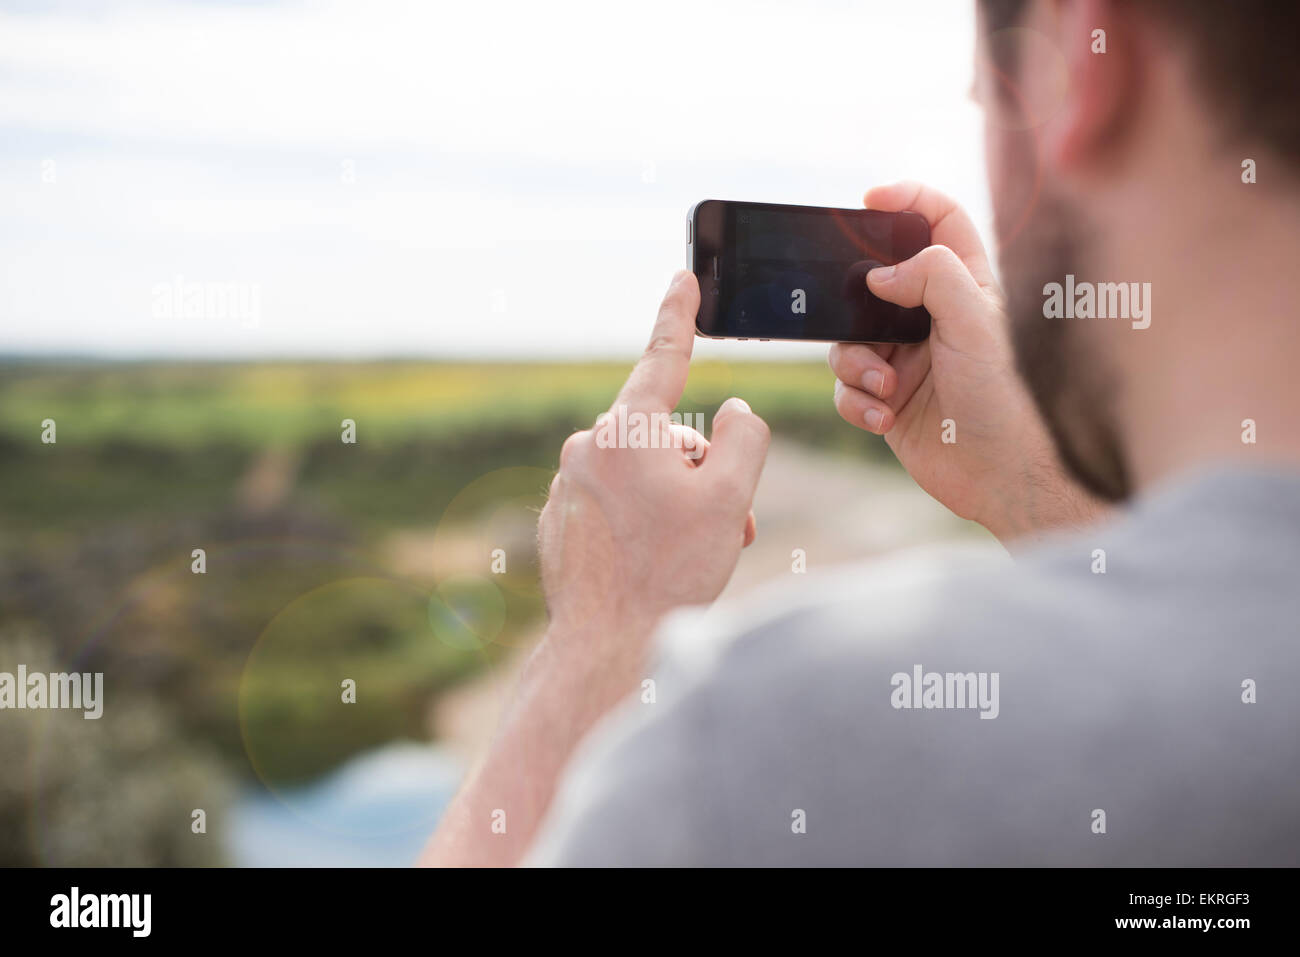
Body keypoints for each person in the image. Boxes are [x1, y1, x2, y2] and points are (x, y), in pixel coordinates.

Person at [422, 0, 1300, 865]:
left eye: (989, 103)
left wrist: (600, 640)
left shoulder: (768, 730)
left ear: (1080, 58)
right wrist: (1025, 483)